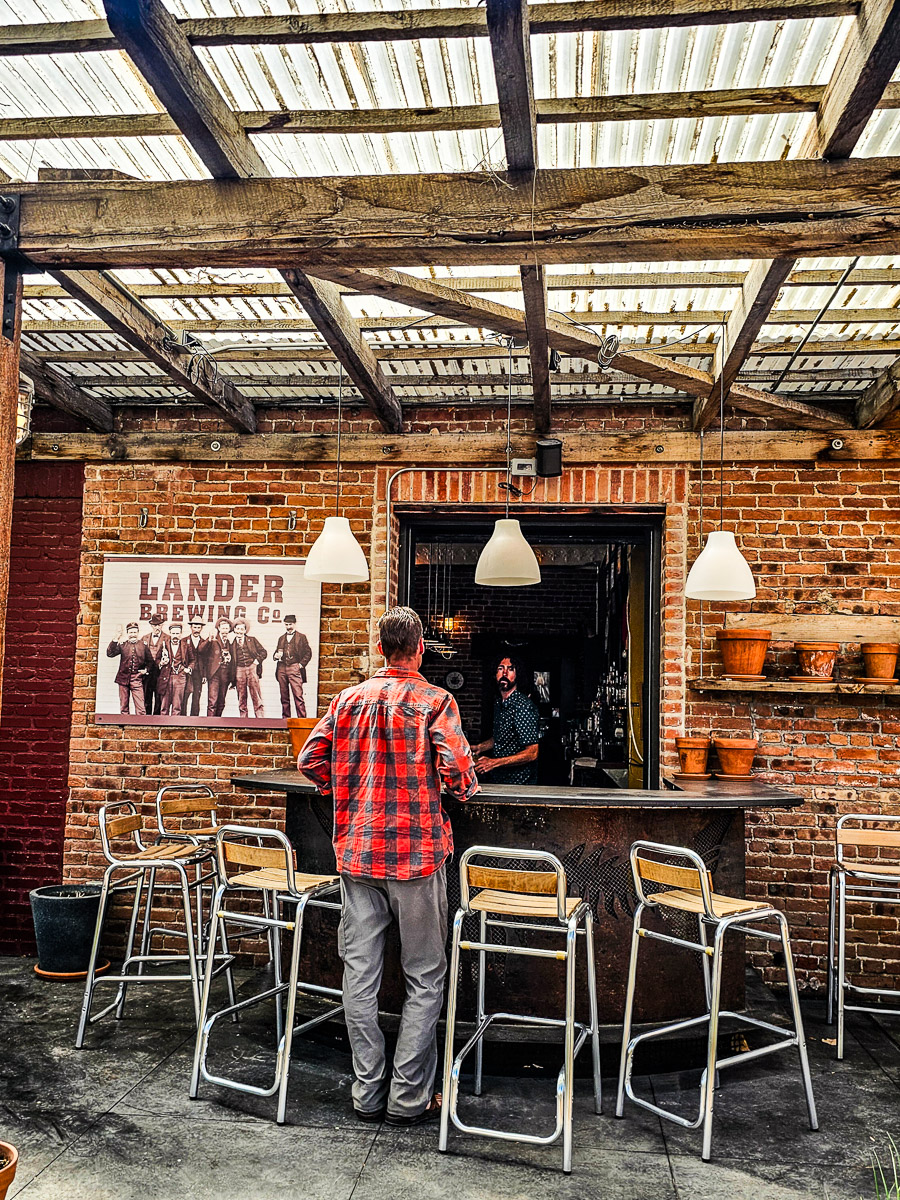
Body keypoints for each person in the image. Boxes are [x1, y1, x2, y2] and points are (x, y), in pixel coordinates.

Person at [298, 606, 479, 1126]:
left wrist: (350, 794)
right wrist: (453, 788)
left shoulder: (347, 700)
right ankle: (407, 1099)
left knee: (360, 976)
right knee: (424, 976)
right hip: (417, 857)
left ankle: (366, 1093)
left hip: (357, 856)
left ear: (380, 648)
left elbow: (310, 760)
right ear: (420, 648)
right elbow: (460, 774)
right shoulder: (435, 701)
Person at [471, 653, 541, 785]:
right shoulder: (499, 703)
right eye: (500, 668)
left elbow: (532, 752)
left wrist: (494, 762)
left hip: (519, 783)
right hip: (500, 779)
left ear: (517, 675)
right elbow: (502, 737)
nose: (504, 673)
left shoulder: (523, 706)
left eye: (510, 669)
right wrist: (480, 747)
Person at [107, 622, 152, 715]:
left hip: (137, 679)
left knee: (141, 708)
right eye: (131, 632)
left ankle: (141, 727)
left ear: (138, 633)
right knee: (124, 706)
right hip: (123, 679)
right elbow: (110, 654)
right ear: (127, 634)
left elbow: (150, 661)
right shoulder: (122, 645)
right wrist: (116, 638)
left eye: (135, 632)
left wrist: (146, 670)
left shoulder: (143, 645)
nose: (133, 635)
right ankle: (125, 727)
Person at [273, 614, 312, 718]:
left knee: (298, 695)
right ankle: (286, 719)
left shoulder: (301, 637)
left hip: (294, 668)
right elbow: (276, 652)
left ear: (295, 624)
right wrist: (276, 656)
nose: (288, 627)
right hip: (281, 668)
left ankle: (302, 720)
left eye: (290, 624)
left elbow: (308, 653)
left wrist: (300, 665)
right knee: (284, 696)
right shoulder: (281, 638)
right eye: (286, 624)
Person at [230, 618, 267, 718]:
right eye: (237, 629)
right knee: (241, 695)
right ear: (234, 630)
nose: (239, 631)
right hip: (239, 670)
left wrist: (256, 661)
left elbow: (263, 652)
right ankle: (243, 719)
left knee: (256, 694)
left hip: (252, 668)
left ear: (245, 630)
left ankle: (260, 718)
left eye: (242, 629)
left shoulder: (252, 640)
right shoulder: (231, 644)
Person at [141, 614, 170, 715]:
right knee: (147, 698)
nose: (157, 627)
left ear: (162, 625)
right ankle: (147, 721)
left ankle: (157, 721)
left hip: (161, 673)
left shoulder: (168, 638)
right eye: (155, 625)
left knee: (159, 699)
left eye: (159, 625)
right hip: (148, 674)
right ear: (151, 626)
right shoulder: (144, 638)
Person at [205, 618, 234, 717]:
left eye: (227, 628)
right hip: (215, 674)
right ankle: (209, 725)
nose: (225, 630)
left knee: (221, 702)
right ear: (219, 628)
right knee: (212, 701)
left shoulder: (229, 643)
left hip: (225, 675)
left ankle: (217, 724)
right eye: (223, 628)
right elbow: (201, 650)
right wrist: (208, 639)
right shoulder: (213, 640)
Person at [182, 618, 209, 717]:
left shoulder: (204, 642)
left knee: (197, 696)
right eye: (195, 627)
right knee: (184, 695)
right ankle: (182, 717)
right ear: (191, 627)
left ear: (201, 628)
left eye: (199, 627)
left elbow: (206, 660)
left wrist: (205, 675)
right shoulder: (184, 641)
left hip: (199, 673)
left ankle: (194, 718)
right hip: (187, 672)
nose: (196, 630)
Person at [160, 623, 188, 716]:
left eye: (177, 633)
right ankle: (163, 727)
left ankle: (174, 727)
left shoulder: (186, 645)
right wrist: (161, 663)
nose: (175, 636)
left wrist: (188, 669)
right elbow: (156, 659)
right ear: (170, 633)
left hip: (180, 677)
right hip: (166, 677)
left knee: (177, 705)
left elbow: (193, 660)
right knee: (164, 705)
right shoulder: (164, 644)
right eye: (173, 633)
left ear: (181, 634)